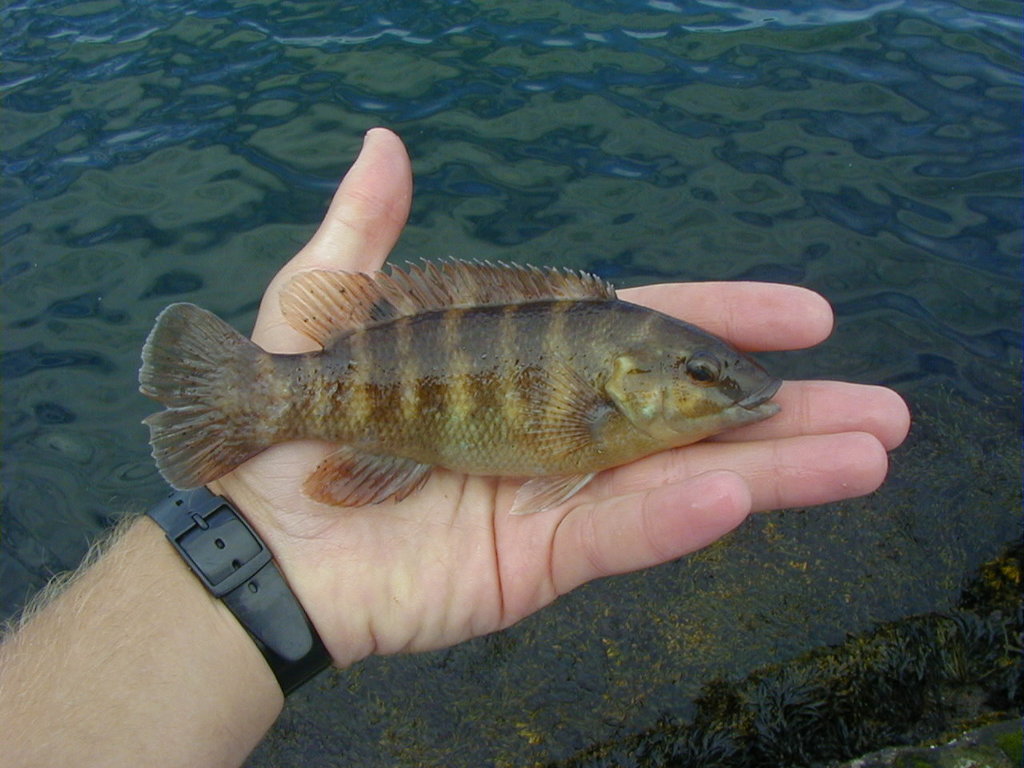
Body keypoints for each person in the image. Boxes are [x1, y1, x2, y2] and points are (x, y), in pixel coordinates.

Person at [0, 128, 910, 767]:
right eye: (708, 374)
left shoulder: (629, 393)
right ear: (640, 379)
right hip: (344, 397)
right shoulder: (613, 391)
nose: (730, 391)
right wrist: (265, 539)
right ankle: (267, 402)